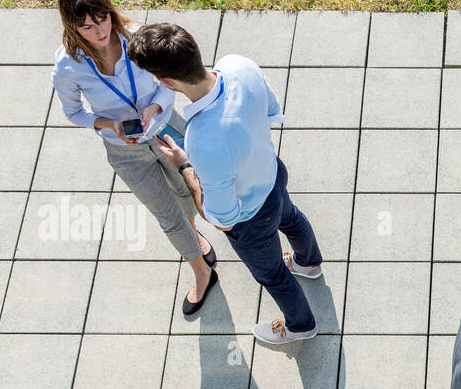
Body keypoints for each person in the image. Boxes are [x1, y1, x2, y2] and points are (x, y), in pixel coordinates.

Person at [127, 23, 325, 346]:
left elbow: (222, 218)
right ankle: (310, 262)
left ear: (165, 81)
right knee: (292, 218)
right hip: (274, 175)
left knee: (273, 274)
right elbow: (273, 111)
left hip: (252, 220)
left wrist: (185, 166)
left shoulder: (202, 139)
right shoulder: (238, 64)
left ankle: (301, 324)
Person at [50, 0, 217, 315]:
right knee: (166, 213)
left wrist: (155, 106)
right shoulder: (68, 67)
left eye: (102, 19)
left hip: (166, 128)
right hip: (124, 150)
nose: (99, 32)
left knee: (188, 190)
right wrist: (106, 124)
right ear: (72, 27)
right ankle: (201, 271)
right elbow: (74, 113)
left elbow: (171, 81)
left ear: (108, 11)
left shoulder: (137, 36)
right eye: (86, 27)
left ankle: (194, 235)